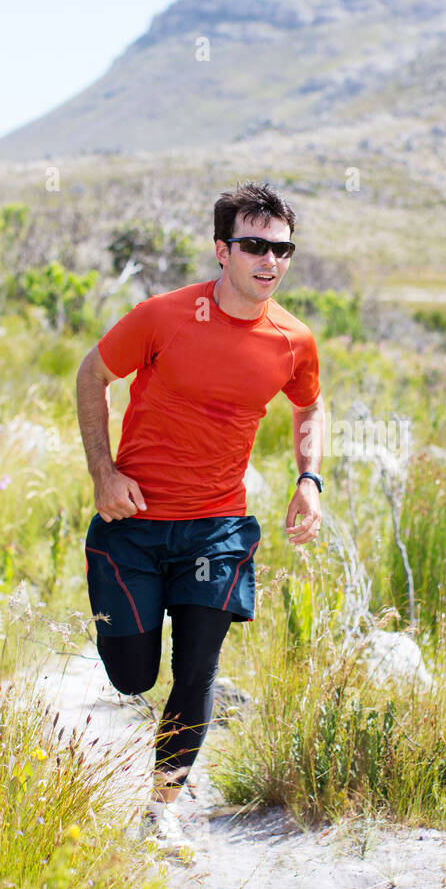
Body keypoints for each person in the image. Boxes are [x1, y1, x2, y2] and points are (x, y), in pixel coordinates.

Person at [74, 180, 325, 851]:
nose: (270, 261)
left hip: (218, 526)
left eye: (282, 249)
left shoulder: (294, 340)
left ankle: (163, 807)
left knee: (197, 671)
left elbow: (309, 405)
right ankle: (118, 613)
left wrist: (309, 478)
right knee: (133, 673)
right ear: (222, 249)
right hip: (133, 522)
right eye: (254, 246)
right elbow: (90, 374)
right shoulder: (163, 316)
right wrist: (104, 472)